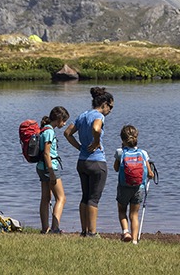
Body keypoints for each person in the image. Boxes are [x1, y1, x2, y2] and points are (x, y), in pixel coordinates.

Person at [64, 86, 114, 238]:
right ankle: (93, 233)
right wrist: (97, 141)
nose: (110, 110)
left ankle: (84, 231)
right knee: (94, 199)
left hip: (82, 162)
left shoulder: (83, 115)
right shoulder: (99, 116)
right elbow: (96, 128)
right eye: (110, 107)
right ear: (104, 104)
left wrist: (80, 147)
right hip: (97, 162)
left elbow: (67, 133)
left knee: (85, 197)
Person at [114, 124, 154, 244]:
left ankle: (126, 231)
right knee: (134, 214)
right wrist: (150, 173)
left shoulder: (120, 152)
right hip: (139, 187)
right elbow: (150, 174)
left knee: (122, 210)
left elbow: (116, 168)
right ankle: (135, 240)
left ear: (122, 139)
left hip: (124, 186)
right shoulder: (143, 153)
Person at [37, 106, 69, 234]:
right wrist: (51, 171)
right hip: (50, 167)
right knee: (61, 198)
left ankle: (45, 228)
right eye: (64, 120)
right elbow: (46, 153)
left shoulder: (43, 129)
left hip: (40, 167)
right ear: (59, 119)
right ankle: (55, 228)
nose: (65, 123)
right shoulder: (50, 131)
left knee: (45, 198)